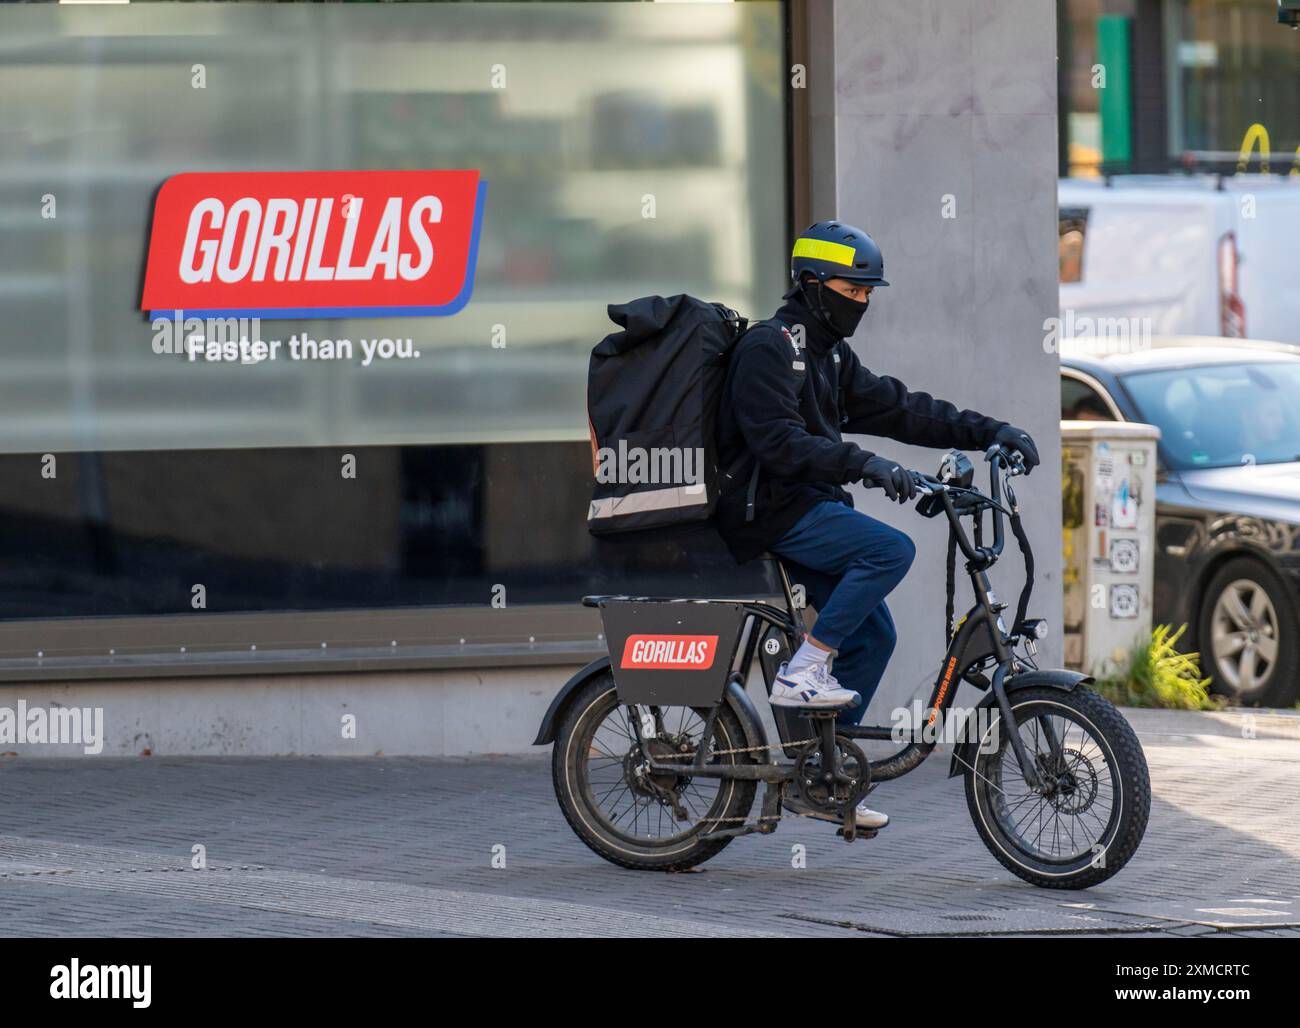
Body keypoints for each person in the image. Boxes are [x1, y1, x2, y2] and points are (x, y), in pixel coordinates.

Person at [715, 220, 1039, 829]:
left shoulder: (831, 355)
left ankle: (821, 776)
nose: (859, 302)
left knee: (874, 636)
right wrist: (865, 464)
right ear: (811, 284)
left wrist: (989, 429)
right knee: (889, 550)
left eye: (868, 293)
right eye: (850, 289)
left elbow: (902, 409)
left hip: (810, 506)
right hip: (769, 511)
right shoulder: (769, 347)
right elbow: (776, 441)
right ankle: (804, 670)